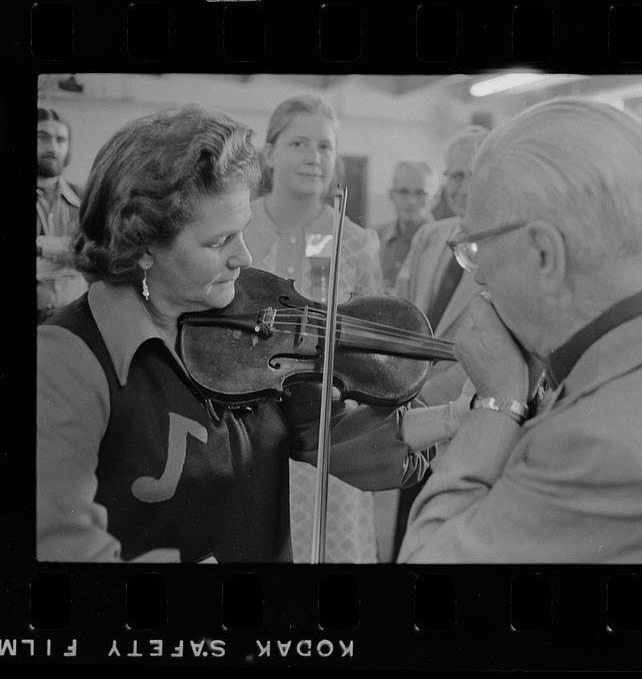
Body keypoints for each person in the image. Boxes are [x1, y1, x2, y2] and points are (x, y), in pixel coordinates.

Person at [37, 104, 459, 564]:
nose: (244, 258)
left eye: (243, 232)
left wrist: (463, 413)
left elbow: (340, 438)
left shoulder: (255, 324)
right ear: (141, 249)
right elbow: (60, 542)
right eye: (218, 242)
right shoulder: (67, 358)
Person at [399, 98, 642, 563]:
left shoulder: (602, 451)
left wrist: (496, 404)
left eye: (475, 247)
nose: (480, 277)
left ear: (543, 254)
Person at [243, 95, 386, 563]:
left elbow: (372, 350)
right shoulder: (237, 227)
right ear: (268, 153)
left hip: (326, 434)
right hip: (243, 429)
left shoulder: (359, 243)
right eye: (299, 142)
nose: (313, 156)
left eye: (325, 147)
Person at [389, 125, 490, 559]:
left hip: (461, 426)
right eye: (452, 176)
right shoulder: (432, 236)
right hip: (409, 417)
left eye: (470, 174)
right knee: (408, 538)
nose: (459, 187)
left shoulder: (505, 245)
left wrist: (424, 399)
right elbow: (401, 312)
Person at [36, 106, 88, 323]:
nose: (53, 147)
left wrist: (40, 247)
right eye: (43, 138)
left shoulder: (84, 197)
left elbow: (91, 252)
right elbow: (77, 251)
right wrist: (68, 251)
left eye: (61, 140)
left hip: (75, 318)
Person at [375, 160, 436, 292]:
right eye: (403, 191)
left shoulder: (444, 244)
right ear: (391, 195)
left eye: (420, 193)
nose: (411, 201)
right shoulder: (375, 237)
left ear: (435, 198)